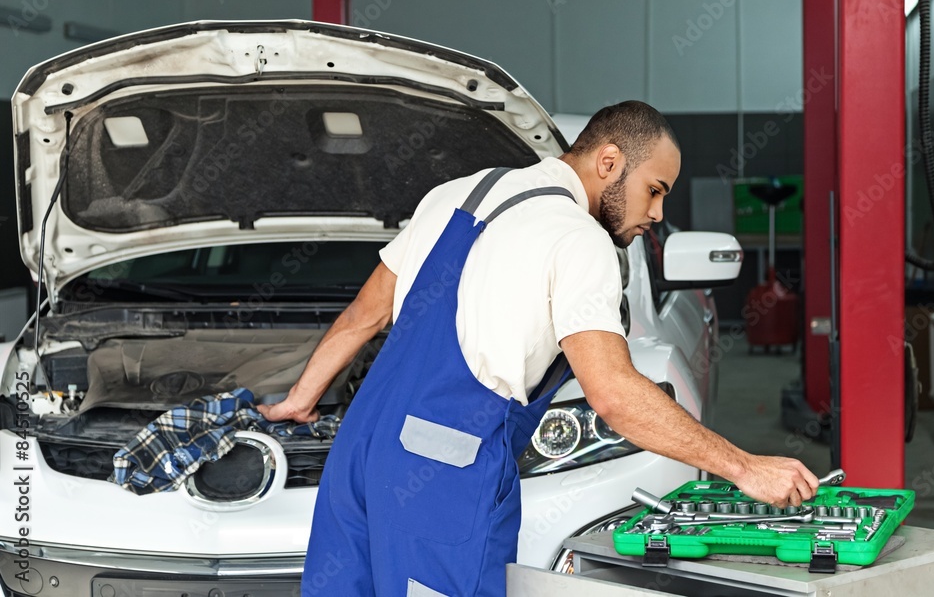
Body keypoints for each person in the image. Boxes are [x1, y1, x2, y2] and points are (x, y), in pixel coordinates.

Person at [258, 101, 819, 596]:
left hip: (359, 453)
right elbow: (614, 394)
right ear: (609, 161)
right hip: (444, 476)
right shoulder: (580, 240)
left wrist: (300, 402)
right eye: (655, 190)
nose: (657, 214)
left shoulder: (456, 194)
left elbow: (365, 315)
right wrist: (744, 467)